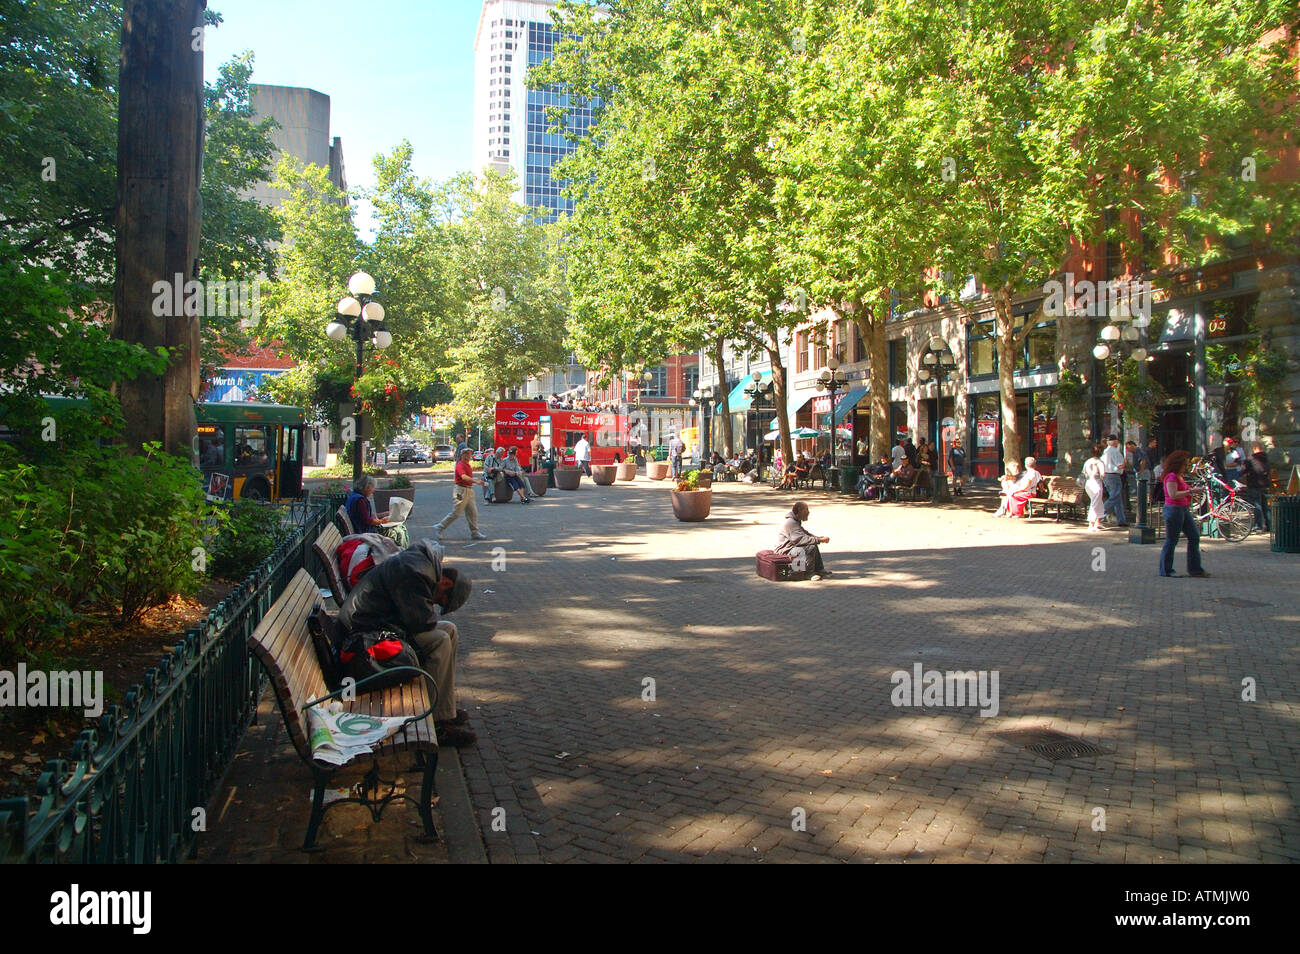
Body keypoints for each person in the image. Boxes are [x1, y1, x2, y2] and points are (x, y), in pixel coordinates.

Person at [337, 538, 477, 747]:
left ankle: (444, 709)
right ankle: (438, 721)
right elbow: (421, 622)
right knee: (439, 641)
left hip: (376, 627)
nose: (434, 602)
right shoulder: (416, 573)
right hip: (363, 638)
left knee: (449, 629)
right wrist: (427, 610)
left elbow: (422, 619)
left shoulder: (421, 565)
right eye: (439, 600)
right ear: (445, 583)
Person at [1159, 450, 1209, 578]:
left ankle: (1195, 569)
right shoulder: (1171, 477)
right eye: (1184, 465)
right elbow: (1173, 494)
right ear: (1177, 464)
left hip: (1183, 508)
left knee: (1194, 536)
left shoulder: (1179, 476)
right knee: (1171, 540)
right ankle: (1166, 570)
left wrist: (1191, 492)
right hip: (1174, 509)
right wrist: (1191, 491)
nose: (1186, 467)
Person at [435, 448, 488, 540]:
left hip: (468, 490)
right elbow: (463, 477)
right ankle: (440, 527)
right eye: (466, 454)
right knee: (456, 512)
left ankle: (474, 532)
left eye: (470, 454)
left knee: (473, 512)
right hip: (460, 490)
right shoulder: (460, 465)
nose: (468, 456)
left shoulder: (467, 465)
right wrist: (477, 481)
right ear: (462, 455)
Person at [345, 475, 410, 547]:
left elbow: (364, 515)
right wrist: (383, 521)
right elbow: (367, 520)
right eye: (373, 487)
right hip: (365, 532)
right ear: (367, 487)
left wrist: (382, 514)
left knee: (400, 528)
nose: (373, 491)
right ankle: (403, 553)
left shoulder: (354, 496)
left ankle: (403, 552)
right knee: (399, 530)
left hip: (362, 529)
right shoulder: (360, 500)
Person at [775, 501, 831, 581]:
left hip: (792, 546)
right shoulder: (791, 523)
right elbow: (799, 540)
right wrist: (819, 540)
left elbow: (805, 533)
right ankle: (808, 573)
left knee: (813, 543)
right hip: (785, 550)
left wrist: (818, 538)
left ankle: (819, 570)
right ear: (800, 510)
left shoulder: (795, 521)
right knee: (810, 547)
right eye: (806, 510)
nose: (808, 512)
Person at [1240, 442, 1271, 532]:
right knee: (1265, 505)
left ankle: (1258, 525)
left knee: (1256, 505)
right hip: (1265, 484)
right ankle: (1269, 525)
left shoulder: (1251, 459)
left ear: (1255, 448)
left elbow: (1242, 471)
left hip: (1254, 484)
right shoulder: (1266, 458)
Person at [1101, 434, 1128, 527]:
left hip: (1107, 476)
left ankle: (1121, 520)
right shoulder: (1115, 452)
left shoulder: (1105, 451)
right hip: (1114, 476)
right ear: (1115, 442)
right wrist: (1125, 463)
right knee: (1115, 497)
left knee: (1118, 499)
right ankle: (1101, 512)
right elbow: (1120, 465)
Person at [1081, 444, 1106, 531]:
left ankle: (1098, 522)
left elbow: (1083, 472)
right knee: (1095, 504)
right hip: (1096, 484)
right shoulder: (1099, 462)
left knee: (1098, 502)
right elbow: (1103, 475)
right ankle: (1091, 523)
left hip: (1088, 484)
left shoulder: (1087, 461)